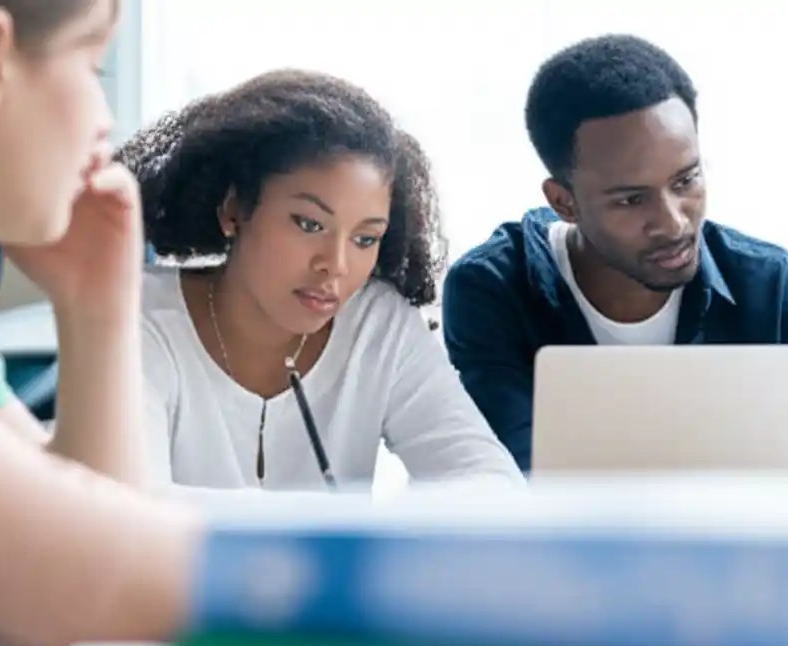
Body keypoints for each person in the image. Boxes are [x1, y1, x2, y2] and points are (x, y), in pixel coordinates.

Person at [0, 0, 198, 646]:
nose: (106, 120)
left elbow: (65, 571)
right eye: (91, 63)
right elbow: (75, 581)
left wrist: (98, 308)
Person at [117, 70, 521, 492]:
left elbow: (492, 484)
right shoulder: (136, 315)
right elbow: (126, 506)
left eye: (365, 238)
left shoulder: (377, 325)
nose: (337, 264)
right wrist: (337, 528)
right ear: (233, 209)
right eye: (309, 224)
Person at [442, 35, 788, 472]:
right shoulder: (492, 291)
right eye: (631, 200)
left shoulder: (770, 285)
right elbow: (516, 483)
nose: (674, 223)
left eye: (685, 181)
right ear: (564, 202)